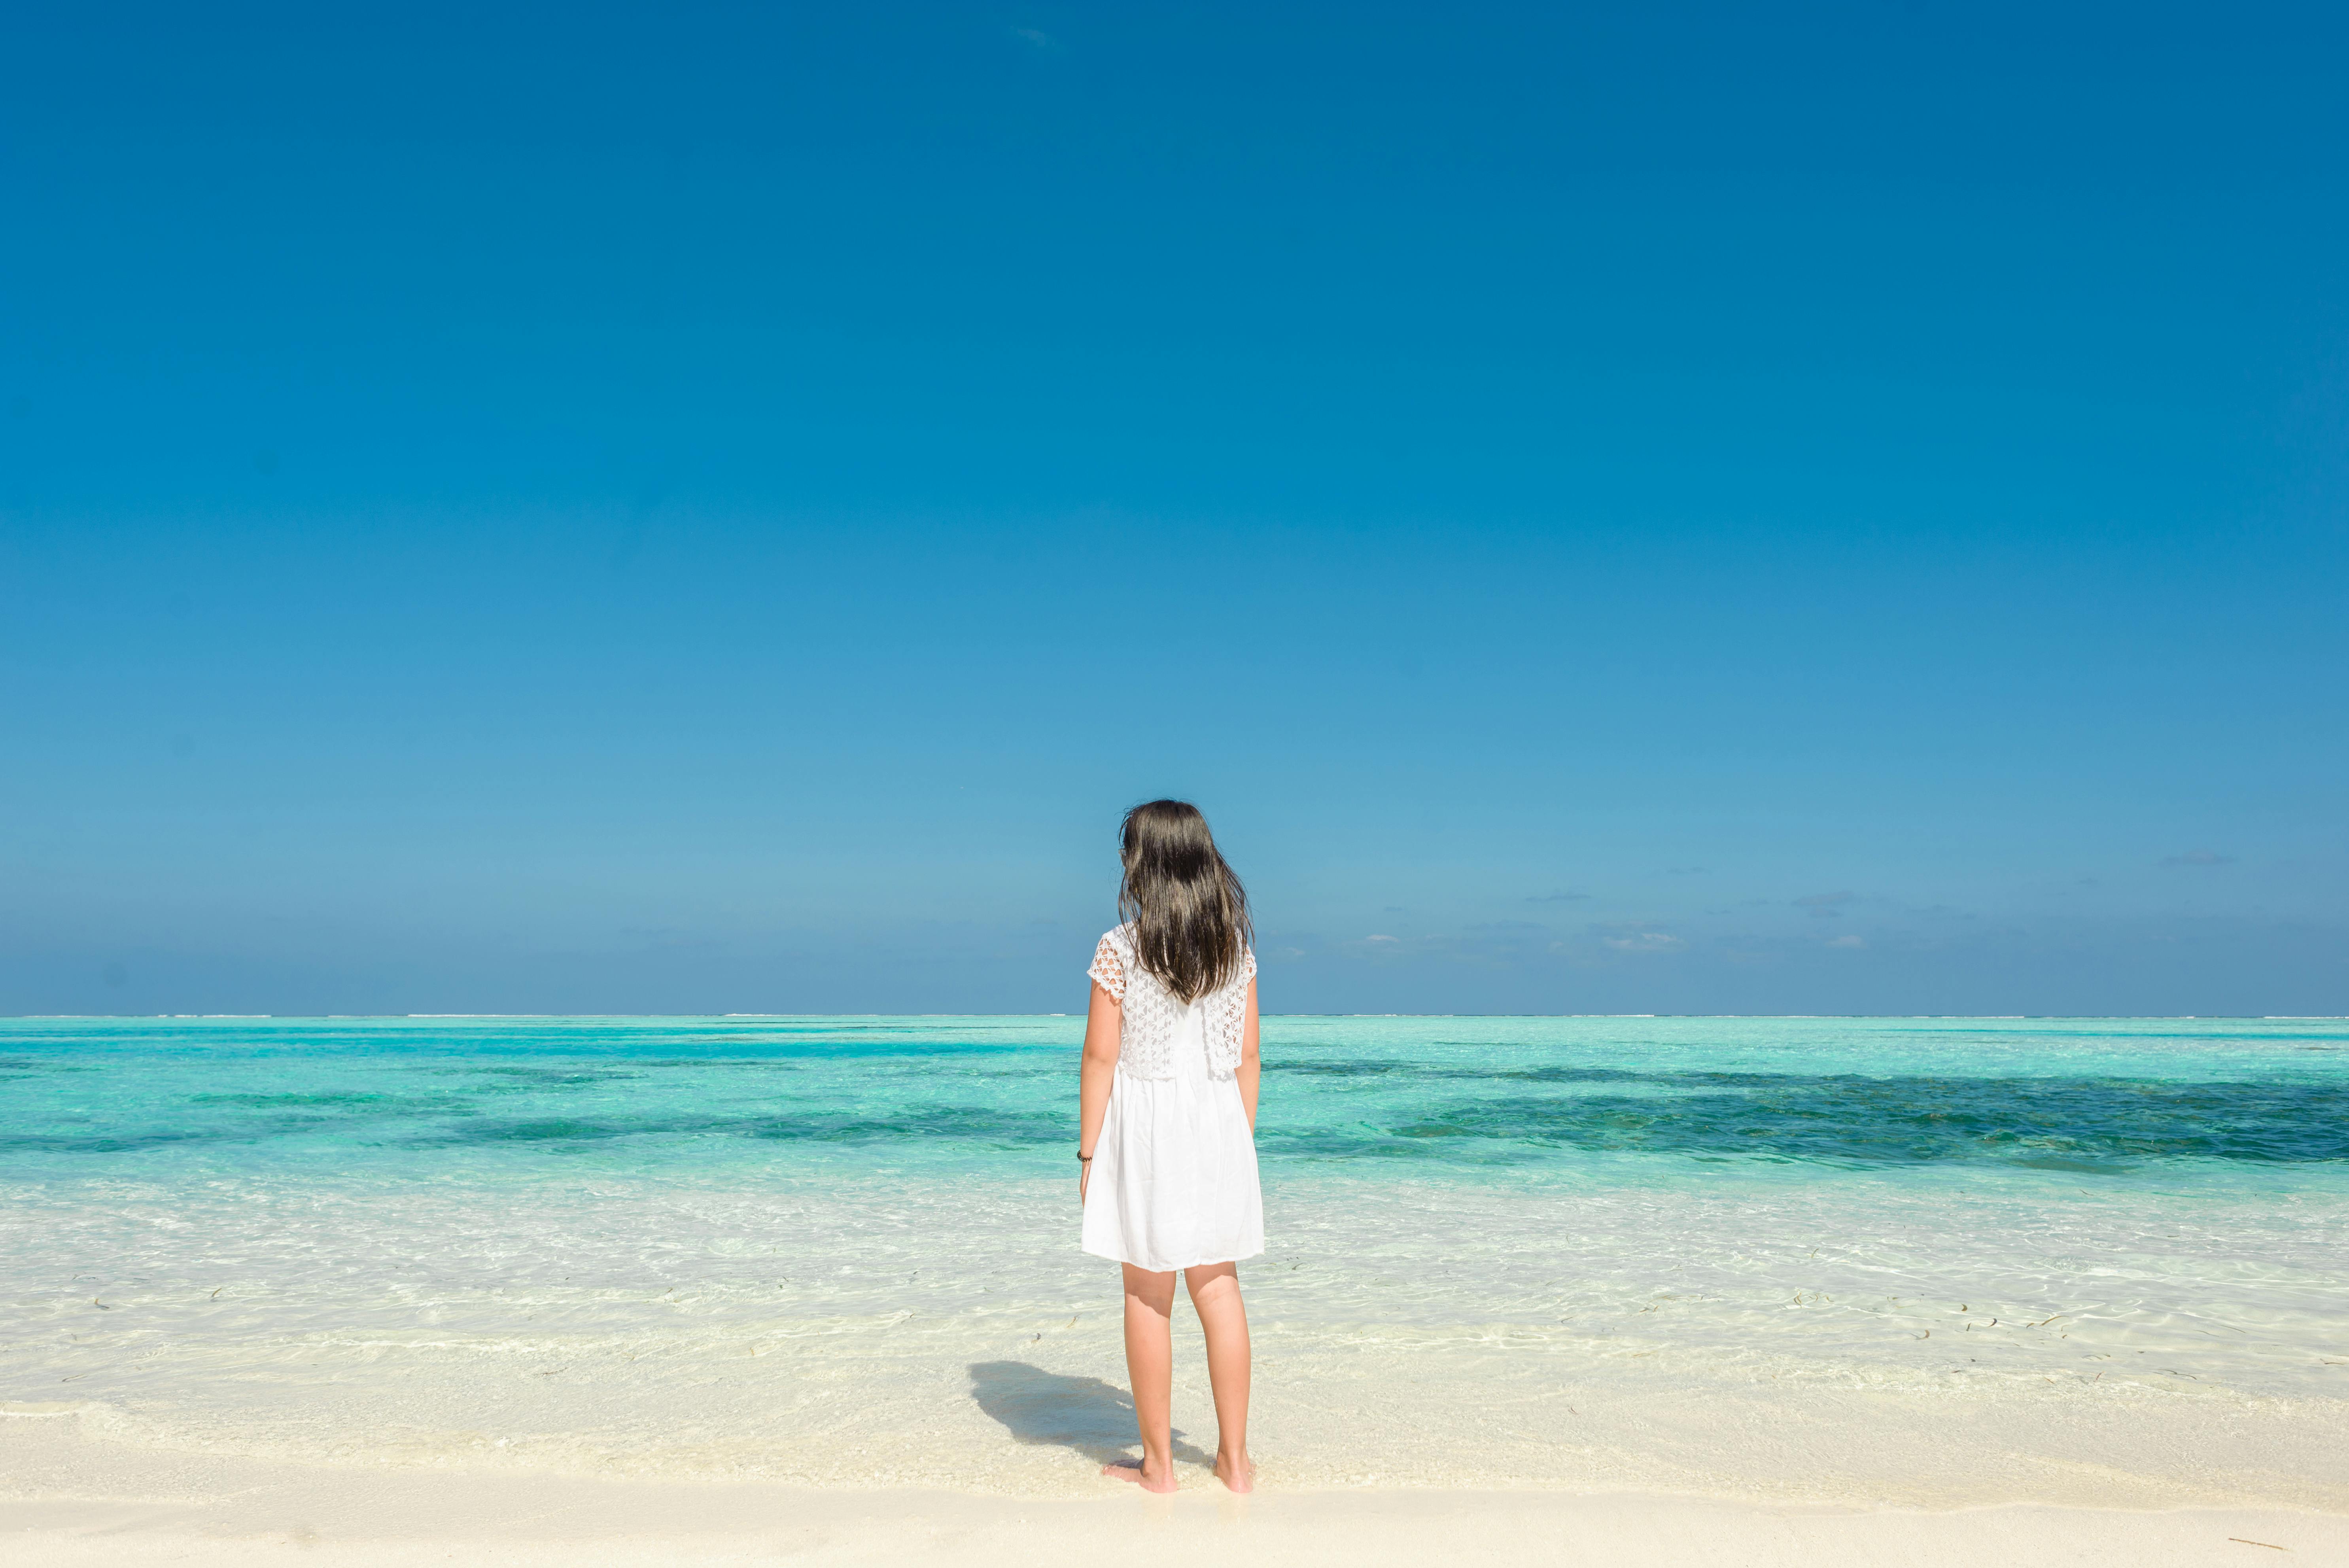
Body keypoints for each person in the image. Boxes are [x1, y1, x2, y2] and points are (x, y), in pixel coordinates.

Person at [1077, 799, 1263, 1494]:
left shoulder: (1119, 947)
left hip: (1148, 1129)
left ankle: (1159, 1467)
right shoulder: (1235, 950)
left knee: (1148, 1292)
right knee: (1219, 1289)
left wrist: (1089, 1154)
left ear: (1145, 862)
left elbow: (1100, 1058)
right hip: (1218, 1124)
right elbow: (1247, 1058)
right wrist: (1236, 1143)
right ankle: (1235, 1463)